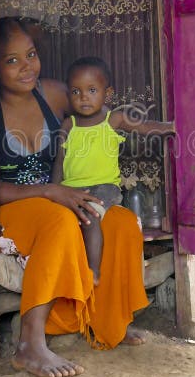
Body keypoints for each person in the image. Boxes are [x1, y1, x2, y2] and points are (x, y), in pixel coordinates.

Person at [0, 17, 148, 377]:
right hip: (12, 207)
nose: (26, 66)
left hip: (62, 197)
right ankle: (30, 343)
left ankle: (107, 321)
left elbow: (96, 109)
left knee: (121, 222)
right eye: (12, 60)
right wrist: (49, 190)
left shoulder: (53, 94)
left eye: (31, 55)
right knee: (61, 220)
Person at [52, 56, 174, 285]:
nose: (83, 97)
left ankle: (93, 271)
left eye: (91, 90)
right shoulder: (69, 125)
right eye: (76, 92)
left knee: (90, 216)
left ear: (107, 94)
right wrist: (55, 190)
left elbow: (144, 127)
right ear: (68, 95)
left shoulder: (112, 119)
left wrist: (171, 127)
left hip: (103, 187)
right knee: (59, 220)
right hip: (71, 189)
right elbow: (59, 161)